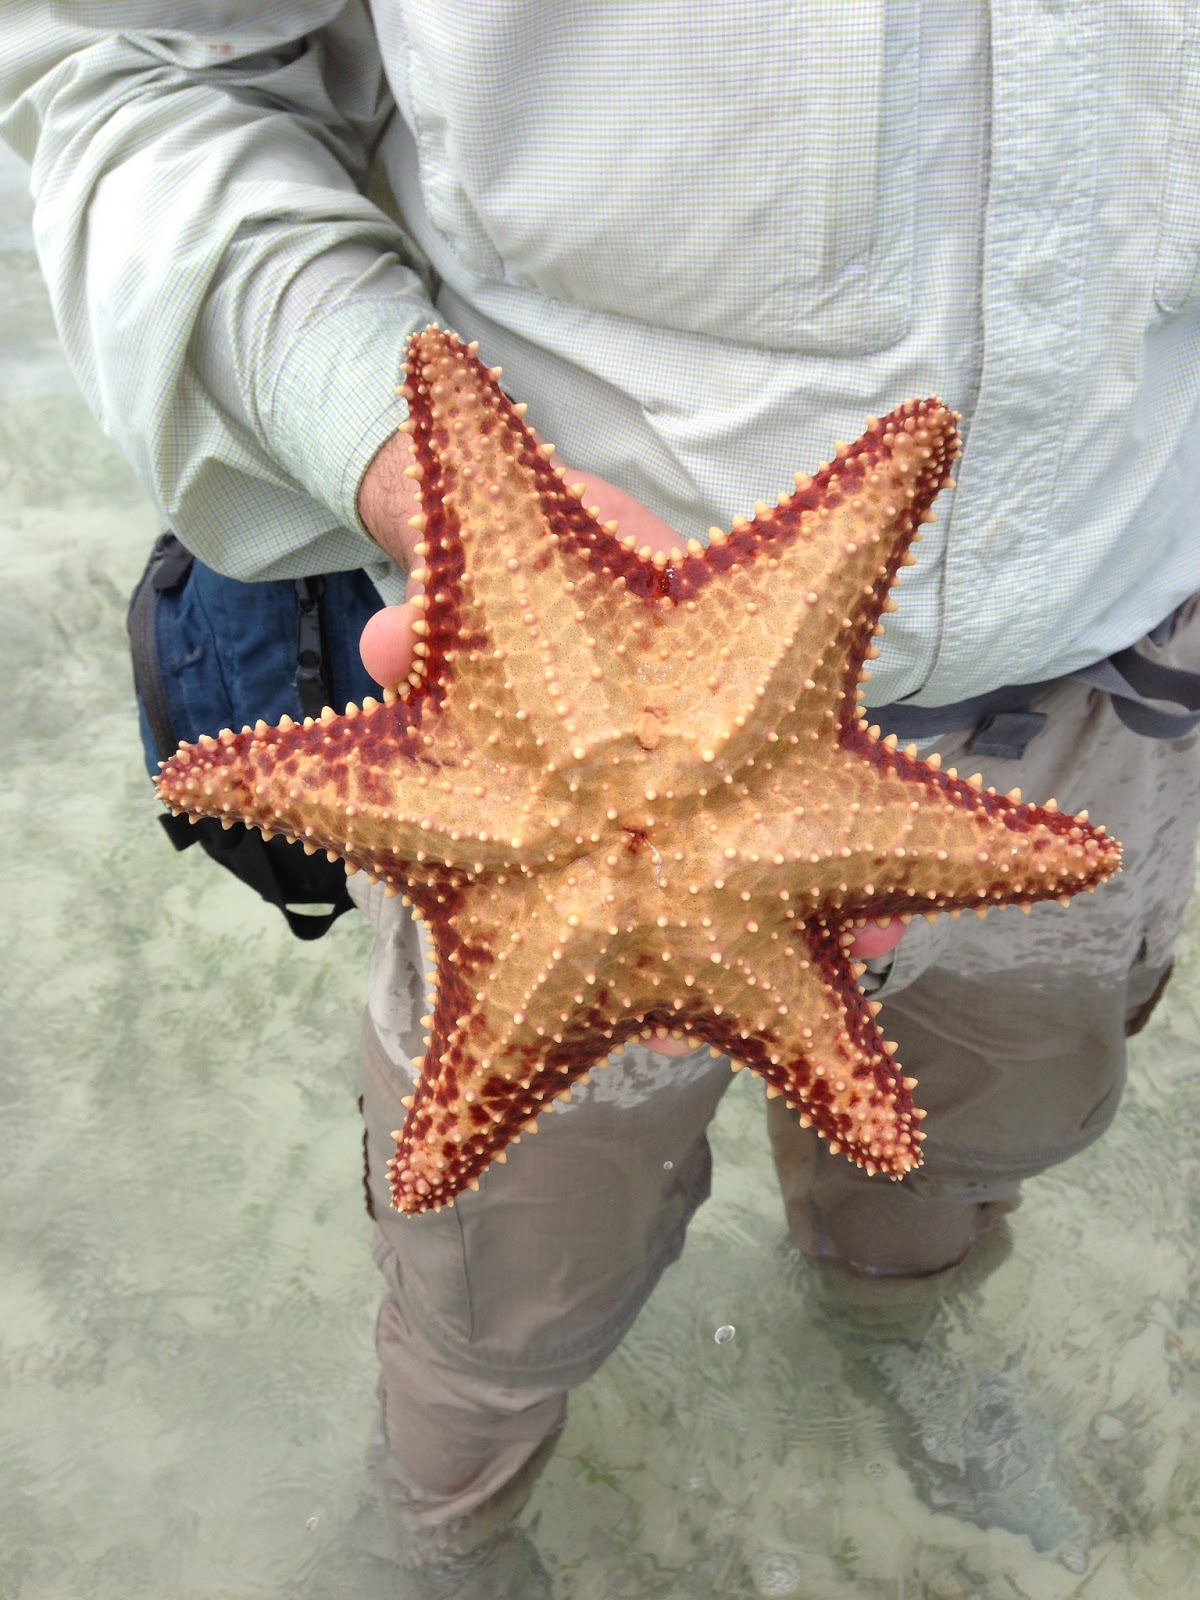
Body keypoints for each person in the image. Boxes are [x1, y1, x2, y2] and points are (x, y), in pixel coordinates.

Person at [4, 5, 1200, 1594]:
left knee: (953, 1142)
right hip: (525, 694)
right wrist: (412, 461)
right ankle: (447, 1520)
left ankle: (898, 1335)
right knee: (499, 1265)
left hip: (1118, 632)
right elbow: (136, 69)